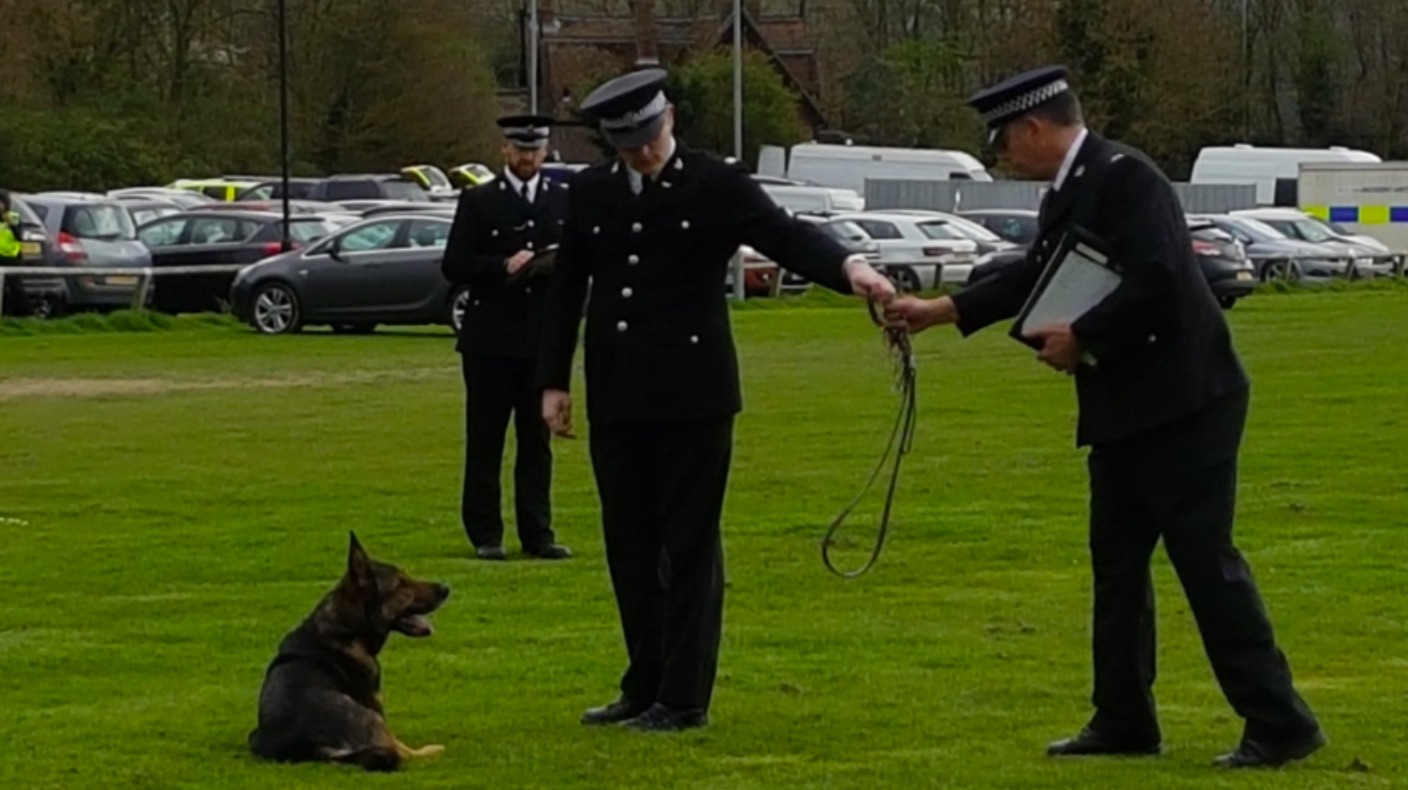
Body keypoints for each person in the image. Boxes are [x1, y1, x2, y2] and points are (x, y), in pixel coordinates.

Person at [884, 66, 1325, 769]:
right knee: (1117, 566)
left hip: (1185, 403)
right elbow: (1036, 272)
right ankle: (1123, 718)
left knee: (1204, 562)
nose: (1003, 158)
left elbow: (1161, 276)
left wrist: (1083, 336)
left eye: (1003, 142)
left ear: (1034, 128)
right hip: (1126, 409)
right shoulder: (1074, 188)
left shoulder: (1127, 178)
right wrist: (942, 310)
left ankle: (1279, 721)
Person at [537, 68, 897, 732]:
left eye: (648, 139)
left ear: (669, 119)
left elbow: (785, 235)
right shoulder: (591, 192)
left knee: (690, 547)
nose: (641, 154)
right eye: (626, 146)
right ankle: (643, 682)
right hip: (618, 393)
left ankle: (682, 697)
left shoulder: (714, 183)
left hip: (693, 394)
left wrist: (850, 268)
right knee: (630, 548)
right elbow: (568, 289)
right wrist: (553, 381)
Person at [442, 115, 573, 562]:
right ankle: (486, 534)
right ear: (505, 150)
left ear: (545, 151)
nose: (527, 158)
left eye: (534, 150)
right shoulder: (480, 200)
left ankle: (538, 533)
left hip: (540, 340)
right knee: (486, 439)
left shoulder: (561, 199)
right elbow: (454, 264)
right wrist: (501, 266)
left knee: (536, 442)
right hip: (490, 342)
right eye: (520, 150)